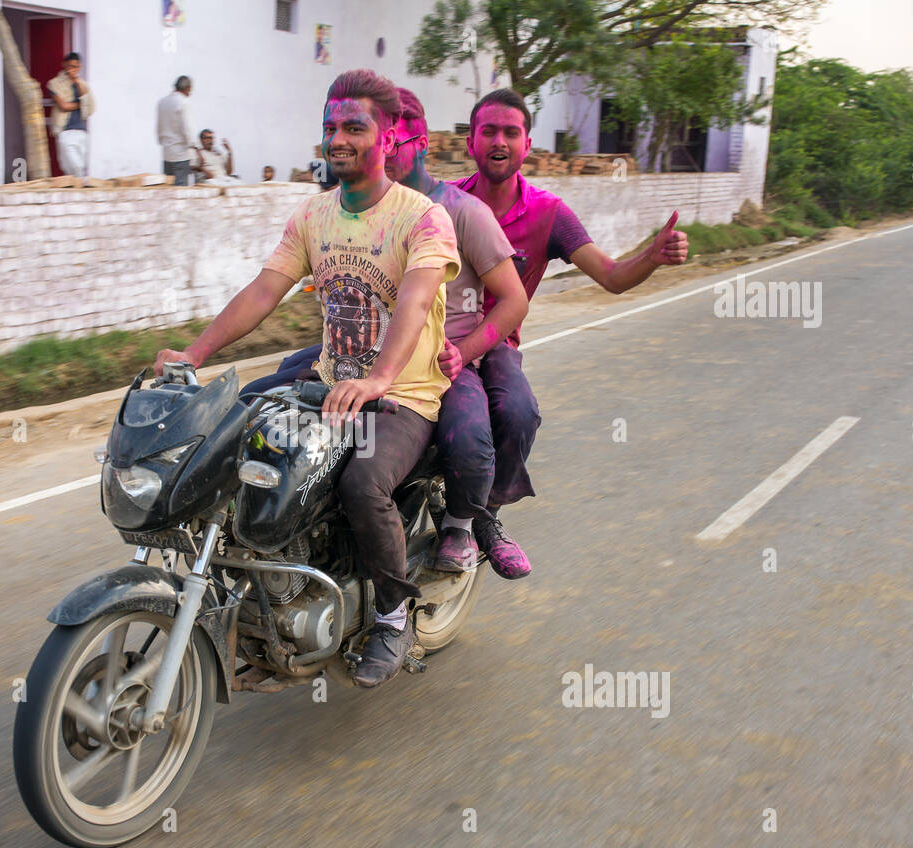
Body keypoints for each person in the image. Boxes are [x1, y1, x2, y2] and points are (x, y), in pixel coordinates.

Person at [153, 69, 460, 688]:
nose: (338, 138)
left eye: (354, 126)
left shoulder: (422, 219)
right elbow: (266, 290)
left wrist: (379, 378)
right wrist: (194, 353)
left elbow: (414, 303)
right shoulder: (314, 215)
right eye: (330, 127)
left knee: (363, 482)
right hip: (326, 385)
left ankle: (394, 616)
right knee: (234, 441)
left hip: (401, 397)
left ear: (389, 134)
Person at [243, 87, 531, 576]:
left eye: (384, 135)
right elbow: (273, 292)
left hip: (439, 355)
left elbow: (500, 299)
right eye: (336, 130)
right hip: (369, 349)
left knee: (479, 431)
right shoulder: (343, 208)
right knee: (260, 400)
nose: (382, 148)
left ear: (413, 140)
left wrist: (463, 351)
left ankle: (472, 521)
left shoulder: (453, 212)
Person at [444, 88, 688, 577]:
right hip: (440, 339)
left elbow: (612, 276)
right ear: (470, 142)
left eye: (510, 132)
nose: (499, 140)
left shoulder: (549, 214)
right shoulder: (443, 203)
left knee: (518, 412)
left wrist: (653, 258)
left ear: (527, 145)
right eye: (487, 130)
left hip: (496, 344)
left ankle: (483, 515)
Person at [48, 53, 94, 181]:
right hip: (65, 130)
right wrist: (81, 104)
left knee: (80, 166)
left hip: (81, 131)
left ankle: (77, 192)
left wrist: (77, 82)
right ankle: (80, 189)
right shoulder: (55, 84)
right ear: (64, 65)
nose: (73, 69)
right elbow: (64, 106)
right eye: (70, 66)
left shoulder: (82, 84)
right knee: (74, 166)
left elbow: (90, 106)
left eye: (76, 66)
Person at [157, 76, 195, 185]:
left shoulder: (162, 102)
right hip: (181, 154)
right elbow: (188, 128)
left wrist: (162, 142)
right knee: (180, 190)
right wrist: (194, 146)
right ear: (187, 88)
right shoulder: (183, 102)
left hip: (167, 152)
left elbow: (159, 127)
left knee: (168, 187)